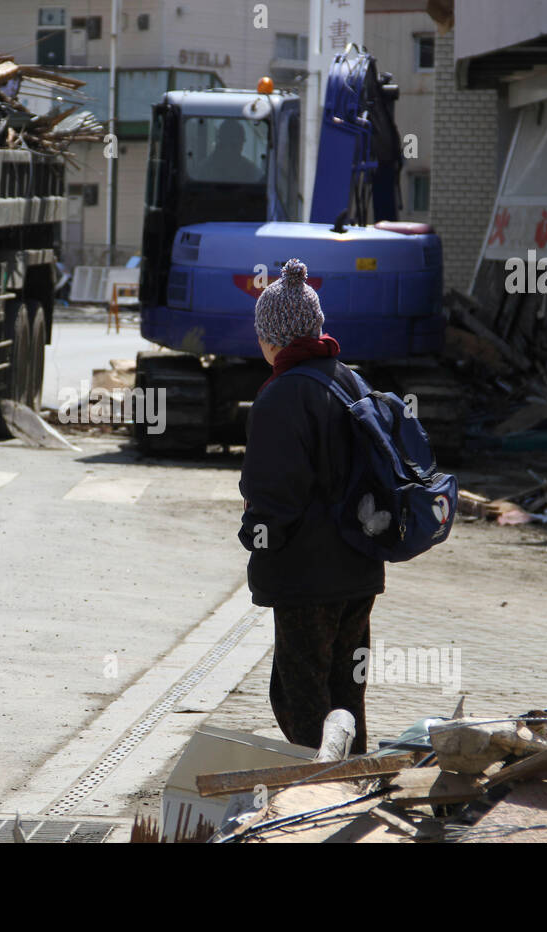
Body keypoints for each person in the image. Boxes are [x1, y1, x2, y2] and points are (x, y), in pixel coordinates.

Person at [237, 257, 384, 756]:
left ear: (271, 338)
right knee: (347, 693)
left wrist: (256, 537)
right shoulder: (353, 382)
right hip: (360, 570)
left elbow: (272, 497)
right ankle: (355, 785)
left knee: (300, 699)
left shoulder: (280, 396)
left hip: (306, 579)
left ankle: (317, 798)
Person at [195, 118, 264, 183]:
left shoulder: (250, 171)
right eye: (233, 145)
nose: (230, 151)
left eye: (237, 145)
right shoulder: (205, 169)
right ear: (221, 142)